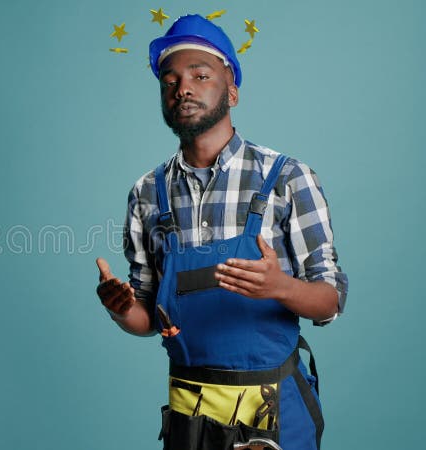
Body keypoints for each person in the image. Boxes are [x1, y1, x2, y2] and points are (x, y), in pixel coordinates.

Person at [94, 14, 348, 450]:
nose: (183, 88)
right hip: (190, 413)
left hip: (273, 411)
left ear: (231, 90)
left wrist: (279, 286)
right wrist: (120, 309)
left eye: (200, 75)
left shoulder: (287, 179)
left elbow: (330, 301)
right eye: (169, 80)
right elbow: (148, 317)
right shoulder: (147, 193)